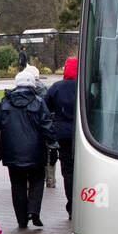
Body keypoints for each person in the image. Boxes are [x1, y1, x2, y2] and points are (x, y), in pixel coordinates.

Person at [0, 66, 57, 229]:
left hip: (12, 152)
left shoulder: (4, 103)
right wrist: (53, 144)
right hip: (35, 151)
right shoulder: (39, 103)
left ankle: (21, 219)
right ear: (33, 84)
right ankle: (33, 210)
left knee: (17, 184)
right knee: (37, 180)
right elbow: (48, 125)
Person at [45, 56, 78, 215]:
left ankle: (72, 205)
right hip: (82, 133)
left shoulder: (56, 87)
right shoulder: (83, 85)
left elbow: (46, 108)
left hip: (63, 134)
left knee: (68, 170)